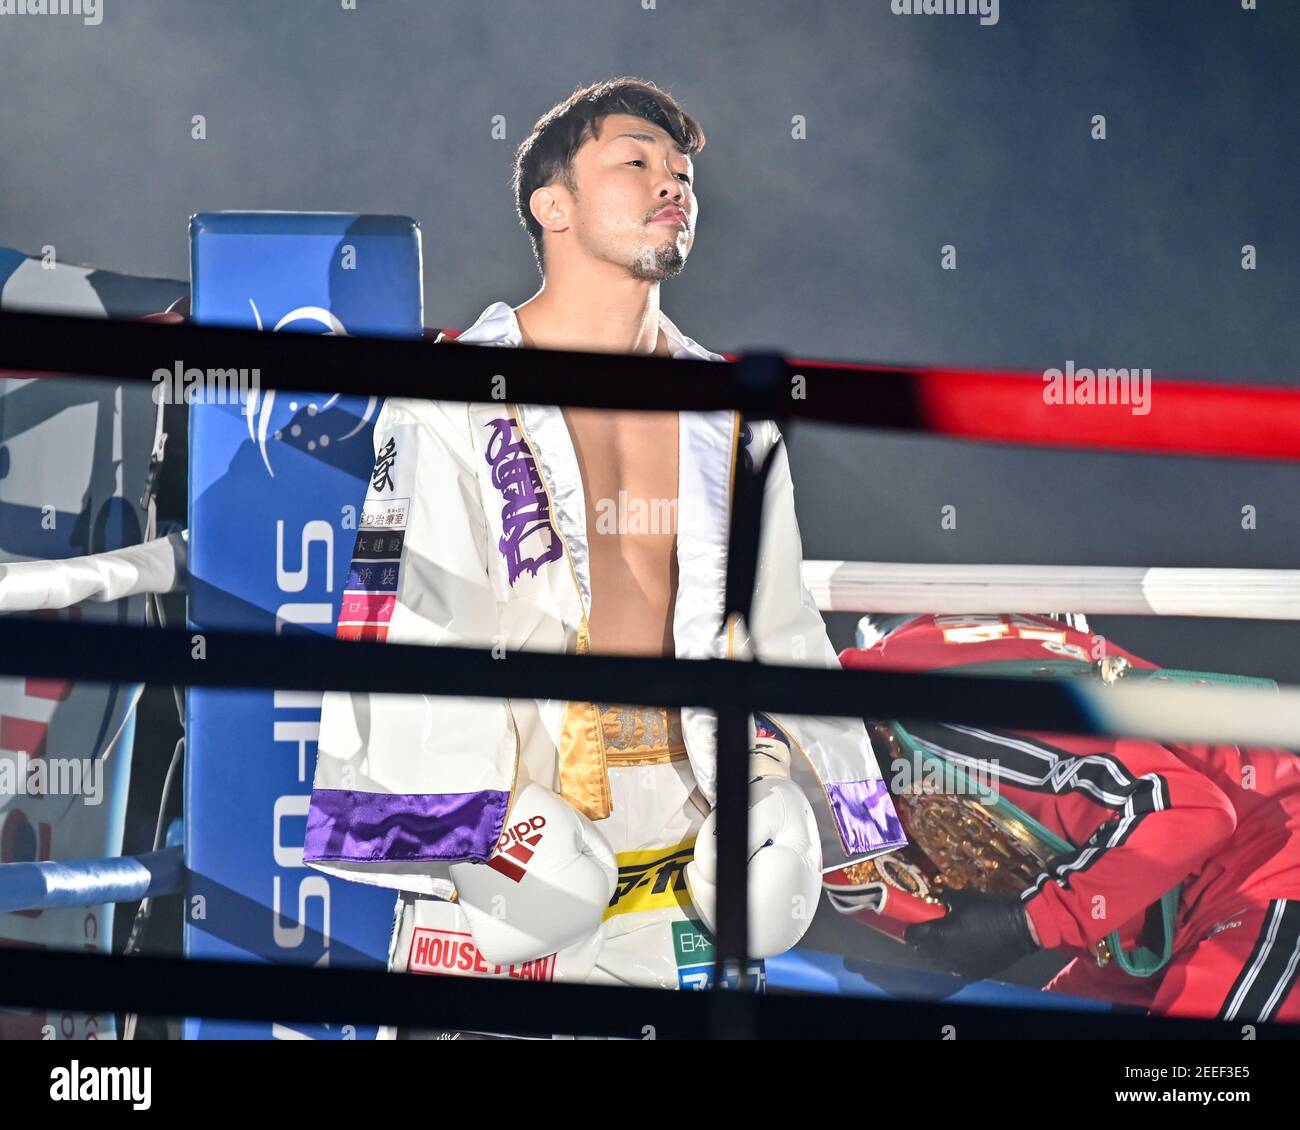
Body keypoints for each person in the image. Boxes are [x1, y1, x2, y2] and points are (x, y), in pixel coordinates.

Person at [302, 78, 905, 1028]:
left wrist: (815, 785)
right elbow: (407, 615)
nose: (671, 183)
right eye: (635, 161)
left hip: (687, 821)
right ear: (553, 205)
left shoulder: (736, 414)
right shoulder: (447, 396)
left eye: (682, 171)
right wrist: (469, 826)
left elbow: (780, 622)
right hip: (519, 810)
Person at [835, 612, 1300, 1023]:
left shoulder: (934, 710)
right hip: (1159, 919)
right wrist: (927, 937)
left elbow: (1187, 809)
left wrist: (1026, 924)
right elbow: (891, 873)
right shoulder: (863, 742)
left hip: (1269, 872)